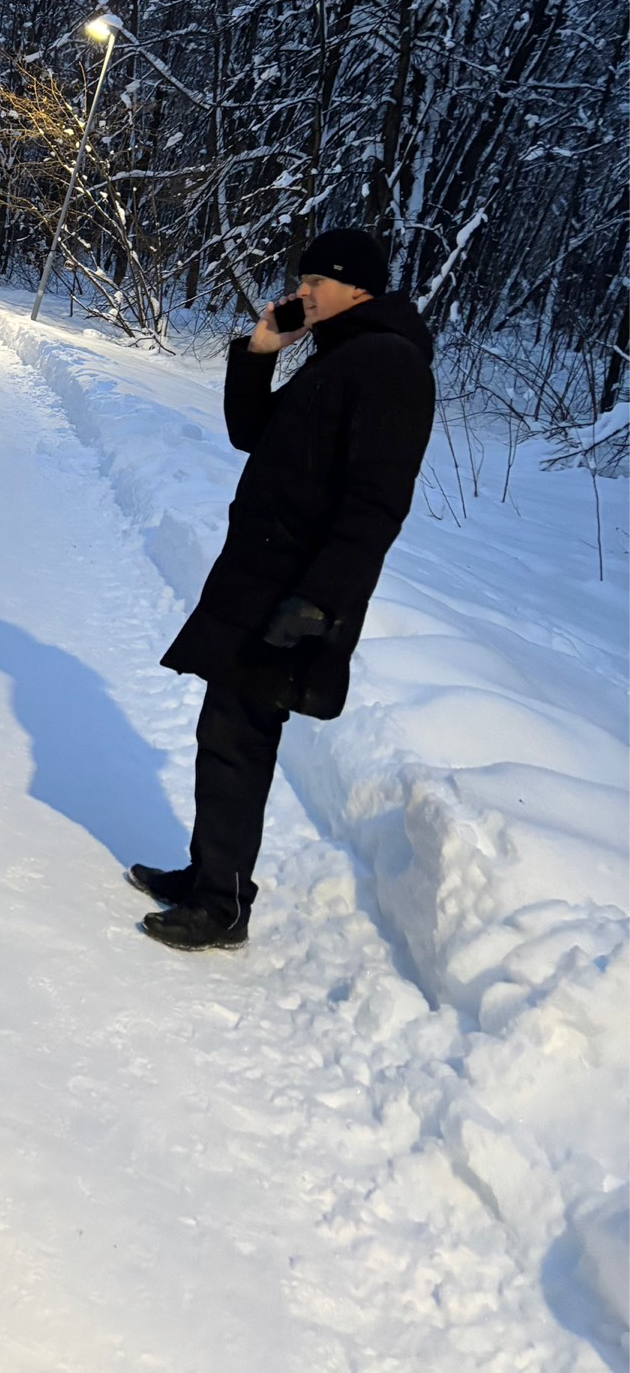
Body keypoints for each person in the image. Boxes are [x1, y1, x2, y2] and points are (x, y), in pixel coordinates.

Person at [135, 227, 435, 951]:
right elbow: (252, 434)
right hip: (264, 579)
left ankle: (222, 907)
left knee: (240, 741)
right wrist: (261, 353)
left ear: (357, 287)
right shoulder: (340, 356)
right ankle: (211, 876)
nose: (300, 292)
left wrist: (320, 602)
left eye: (314, 283)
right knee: (224, 733)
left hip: (296, 597)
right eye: (302, 280)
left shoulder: (389, 366)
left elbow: (376, 504)